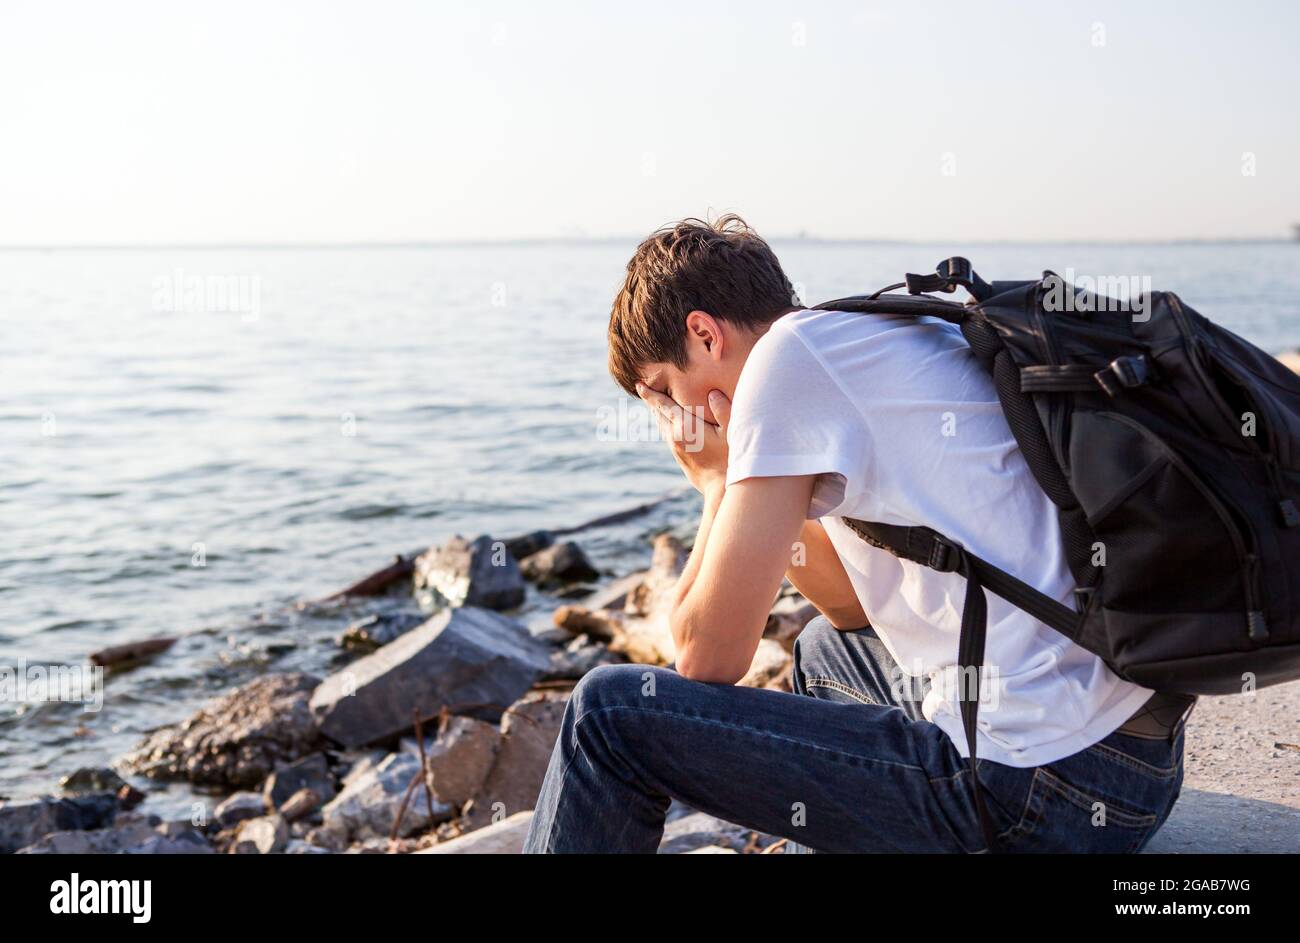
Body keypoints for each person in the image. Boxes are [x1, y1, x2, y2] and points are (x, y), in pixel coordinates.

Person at [523, 215, 1190, 853]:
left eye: (667, 393)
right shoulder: (858, 334)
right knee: (821, 650)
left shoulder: (783, 368)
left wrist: (715, 484)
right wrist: (755, 482)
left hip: (1036, 794)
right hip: (1136, 769)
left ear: (704, 335)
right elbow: (845, 608)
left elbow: (705, 657)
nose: (677, 423)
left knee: (606, 715)